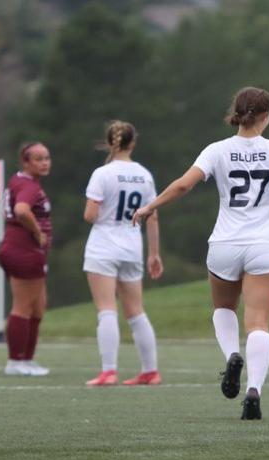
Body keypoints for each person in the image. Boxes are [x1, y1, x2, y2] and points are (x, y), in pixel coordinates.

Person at [132, 87, 269, 419]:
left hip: (225, 244)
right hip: (264, 246)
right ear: (267, 116)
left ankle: (231, 357)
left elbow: (183, 185)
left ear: (236, 114)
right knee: (259, 323)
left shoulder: (217, 150)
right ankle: (254, 390)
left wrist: (151, 206)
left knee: (224, 308)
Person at [83, 121, 165, 387]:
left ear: (110, 143)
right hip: (132, 247)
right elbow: (152, 218)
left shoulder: (102, 174)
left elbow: (90, 215)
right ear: (133, 143)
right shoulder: (145, 175)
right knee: (136, 311)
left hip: (103, 246)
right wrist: (154, 254)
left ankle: (109, 371)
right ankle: (150, 371)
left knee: (107, 309)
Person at [0, 142, 52, 377]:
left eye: (47, 158)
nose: (44, 162)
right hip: (23, 251)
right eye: (38, 159)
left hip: (20, 250)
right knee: (23, 307)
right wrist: (37, 232)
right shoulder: (28, 185)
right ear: (25, 162)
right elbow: (21, 210)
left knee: (38, 308)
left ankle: (27, 360)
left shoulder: (19, 181)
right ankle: (15, 361)